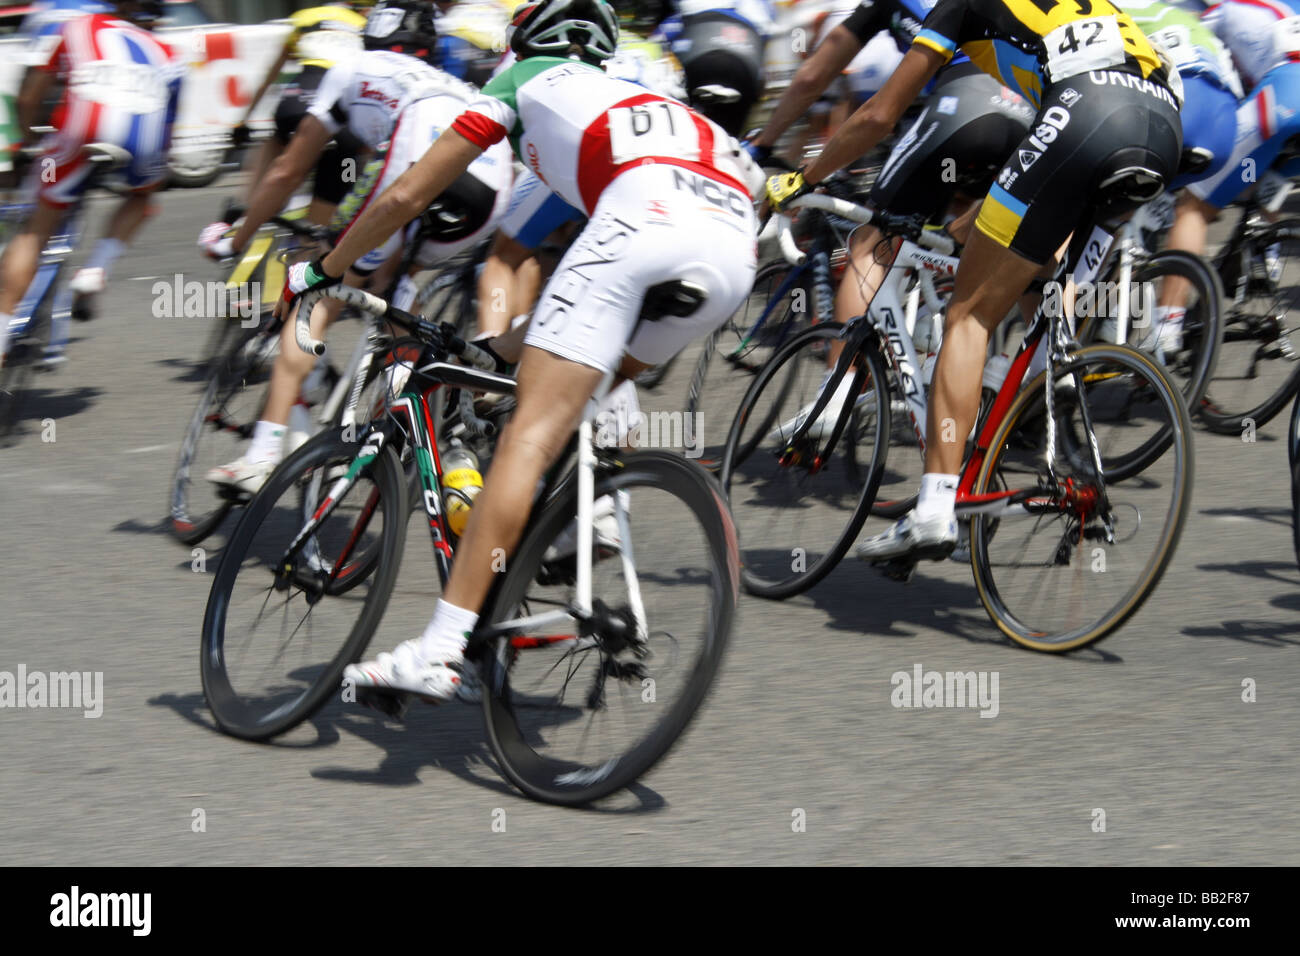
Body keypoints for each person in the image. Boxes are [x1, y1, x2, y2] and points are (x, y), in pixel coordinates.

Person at [281, 0, 761, 700]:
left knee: (529, 436)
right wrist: (501, 346)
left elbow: (413, 190)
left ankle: (441, 650)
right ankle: (577, 527)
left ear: (525, 41)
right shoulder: (644, 99)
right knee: (573, 389)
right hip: (730, 251)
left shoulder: (529, 79)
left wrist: (327, 268)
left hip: (645, 221)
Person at [766, 0, 1183, 561]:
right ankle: (1035, 417)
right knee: (1048, 298)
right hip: (1161, 129)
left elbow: (880, 115)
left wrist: (800, 177)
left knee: (969, 315)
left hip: (1084, 115)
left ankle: (935, 509)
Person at [202, 0, 513, 494]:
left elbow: (286, 171)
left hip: (418, 160)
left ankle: (261, 457)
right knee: (393, 288)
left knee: (315, 293)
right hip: (490, 181)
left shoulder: (351, 66)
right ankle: (443, 427)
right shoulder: (439, 79)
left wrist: (236, 237)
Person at [0, 0, 182, 358]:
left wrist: (30, 140)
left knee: (34, 231)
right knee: (143, 196)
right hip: (140, 137)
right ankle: (96, 268)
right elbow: (168, 129)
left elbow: (31, 95)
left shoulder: (79, 24)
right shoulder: (167, 52)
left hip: (82, 127)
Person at [225, 1, 371, 231]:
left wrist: (241, 121)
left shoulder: (305, 17)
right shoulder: (367, 25)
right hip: (341, 117)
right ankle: (341, 206)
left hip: (296, 102)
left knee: (276, 140)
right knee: (349, 163)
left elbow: (269, 77)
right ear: (365, 9)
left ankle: (244, 207)